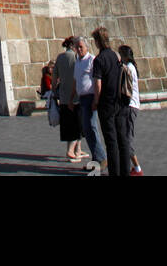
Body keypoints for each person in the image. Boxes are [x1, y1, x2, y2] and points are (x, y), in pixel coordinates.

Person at [91, 26, 130, 178]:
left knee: (111, 141)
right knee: (122, 139)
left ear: (97, 42)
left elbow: (98, 84)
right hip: (120, 101)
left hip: (106, 104)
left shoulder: (99, 60)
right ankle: (125, 171)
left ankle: (115, 172)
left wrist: (96, 101)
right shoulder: (115, 56)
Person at [74, 35, 106, 171]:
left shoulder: (92, 60)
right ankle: (96, 158)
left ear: (87, 47)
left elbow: (97, 80)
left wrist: (96, 100)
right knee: (86, 129)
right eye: (77, 47)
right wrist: (71, 99)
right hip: (82, 98)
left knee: (91, 127)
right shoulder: (77, 62)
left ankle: (102, 158)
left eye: (81, 47)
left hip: (90, 97)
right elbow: (76, 81)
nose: (79, 49)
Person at [53, 36, 82, 161]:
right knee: (78, 125)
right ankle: (70, 150)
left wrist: (54, 91)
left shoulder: (60, 58)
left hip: (63, 96)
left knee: (68, 124)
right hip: (76, 96)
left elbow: (54, 77)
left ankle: (78, 150)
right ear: (72, 46)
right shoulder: (76, 58)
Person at [118, 44, 142, 176]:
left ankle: (137, 169)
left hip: (130, 106)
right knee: (126, 137)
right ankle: (128, 167)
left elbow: (126, 90)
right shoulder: (131, 68)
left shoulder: (128, 69)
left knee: (127, 139)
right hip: (133, 105)